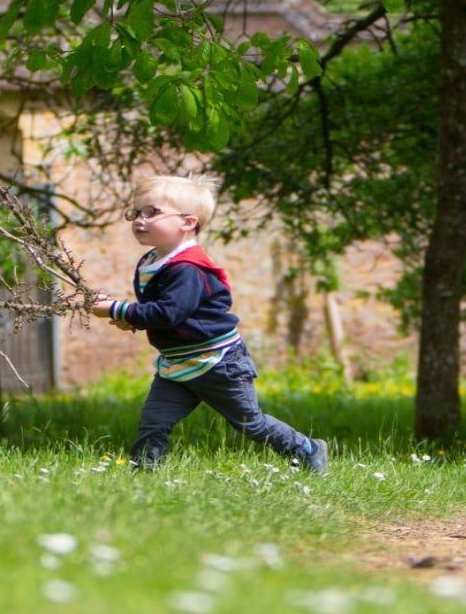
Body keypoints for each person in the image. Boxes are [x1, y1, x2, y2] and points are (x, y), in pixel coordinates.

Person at [88, 174, 330, 473]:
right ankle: (143, 475)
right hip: (177, 364)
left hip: (218, 362)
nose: (139, 219)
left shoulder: (188, 268)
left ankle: (308, 449)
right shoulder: (152, 260)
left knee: (249, 422)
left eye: (151, 212)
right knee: (154, 421)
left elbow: (168, 314)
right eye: (135, 212)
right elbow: (169, 313)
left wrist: (118, 308)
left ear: (188, 222)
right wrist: (131, 318)